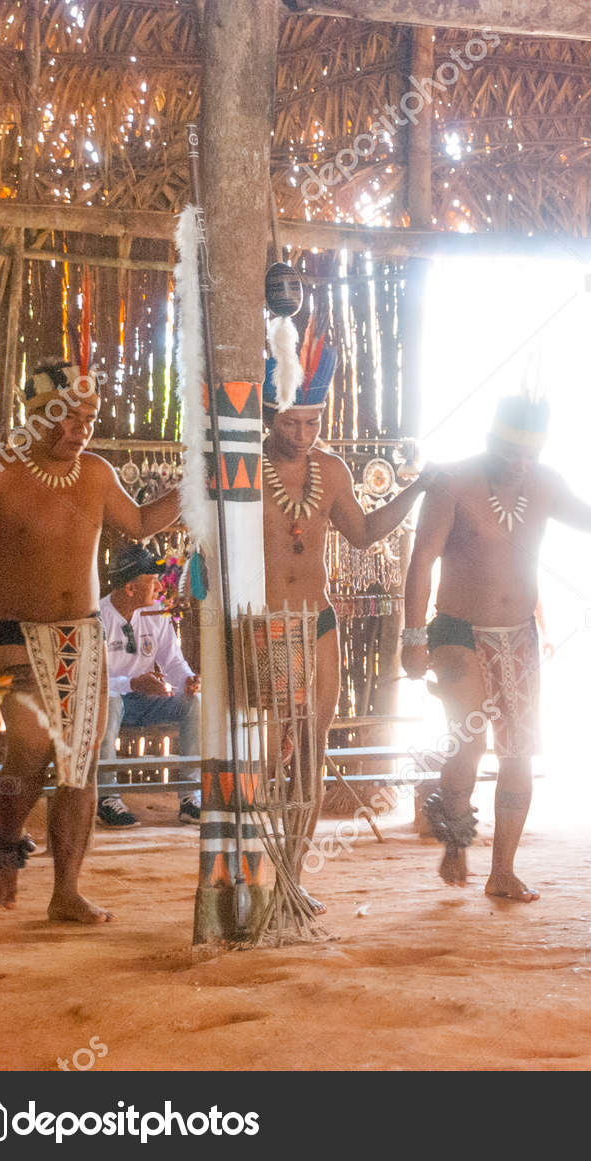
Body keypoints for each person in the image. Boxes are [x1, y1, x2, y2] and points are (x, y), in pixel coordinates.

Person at [402, 393, 591, 902]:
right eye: (508, 450)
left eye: (529, 453)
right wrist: (413, 637)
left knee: (518, 751)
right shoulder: (453, 484)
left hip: (520, 634)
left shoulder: (545, 483)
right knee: (470, 741)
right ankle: (456, 839)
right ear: (489, 441)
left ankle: (501, 871)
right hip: (458, 632)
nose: (518, 462)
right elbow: (422, 561)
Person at [0, 359, 182, 921]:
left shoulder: (97, 475)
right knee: (30, 742)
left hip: (81, 636)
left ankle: (64, 891)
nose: (80, 428)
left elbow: (143, 523)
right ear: (35, 415)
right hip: (8, 638)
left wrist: (194, 485)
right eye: (68, 417)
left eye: (89, 418)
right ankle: (7, 840)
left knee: (79, 765)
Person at [259, 332, 432, 912]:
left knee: (310, 747)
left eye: (311, 423)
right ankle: (254, 875)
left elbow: (362, 534)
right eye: (292, 423)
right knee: (264, 752)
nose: (303, 435)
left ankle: (292, 876)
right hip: (261, 627)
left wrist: (414, 491)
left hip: (319, 622)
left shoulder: (330, 472)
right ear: (271, 412)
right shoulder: (241, 469)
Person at [95, 542, 200, 829]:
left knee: (193, 704)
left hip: (144, 702)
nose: (158, 588)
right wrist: (131, 682)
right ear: (130, 589)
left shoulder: (157, 614)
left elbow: (173, 662)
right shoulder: (98, 618)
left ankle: (191, 798)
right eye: (152, 582)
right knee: (111, 700)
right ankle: (107, 799)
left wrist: (187, 682)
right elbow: (93, 681)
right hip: (107, 705)